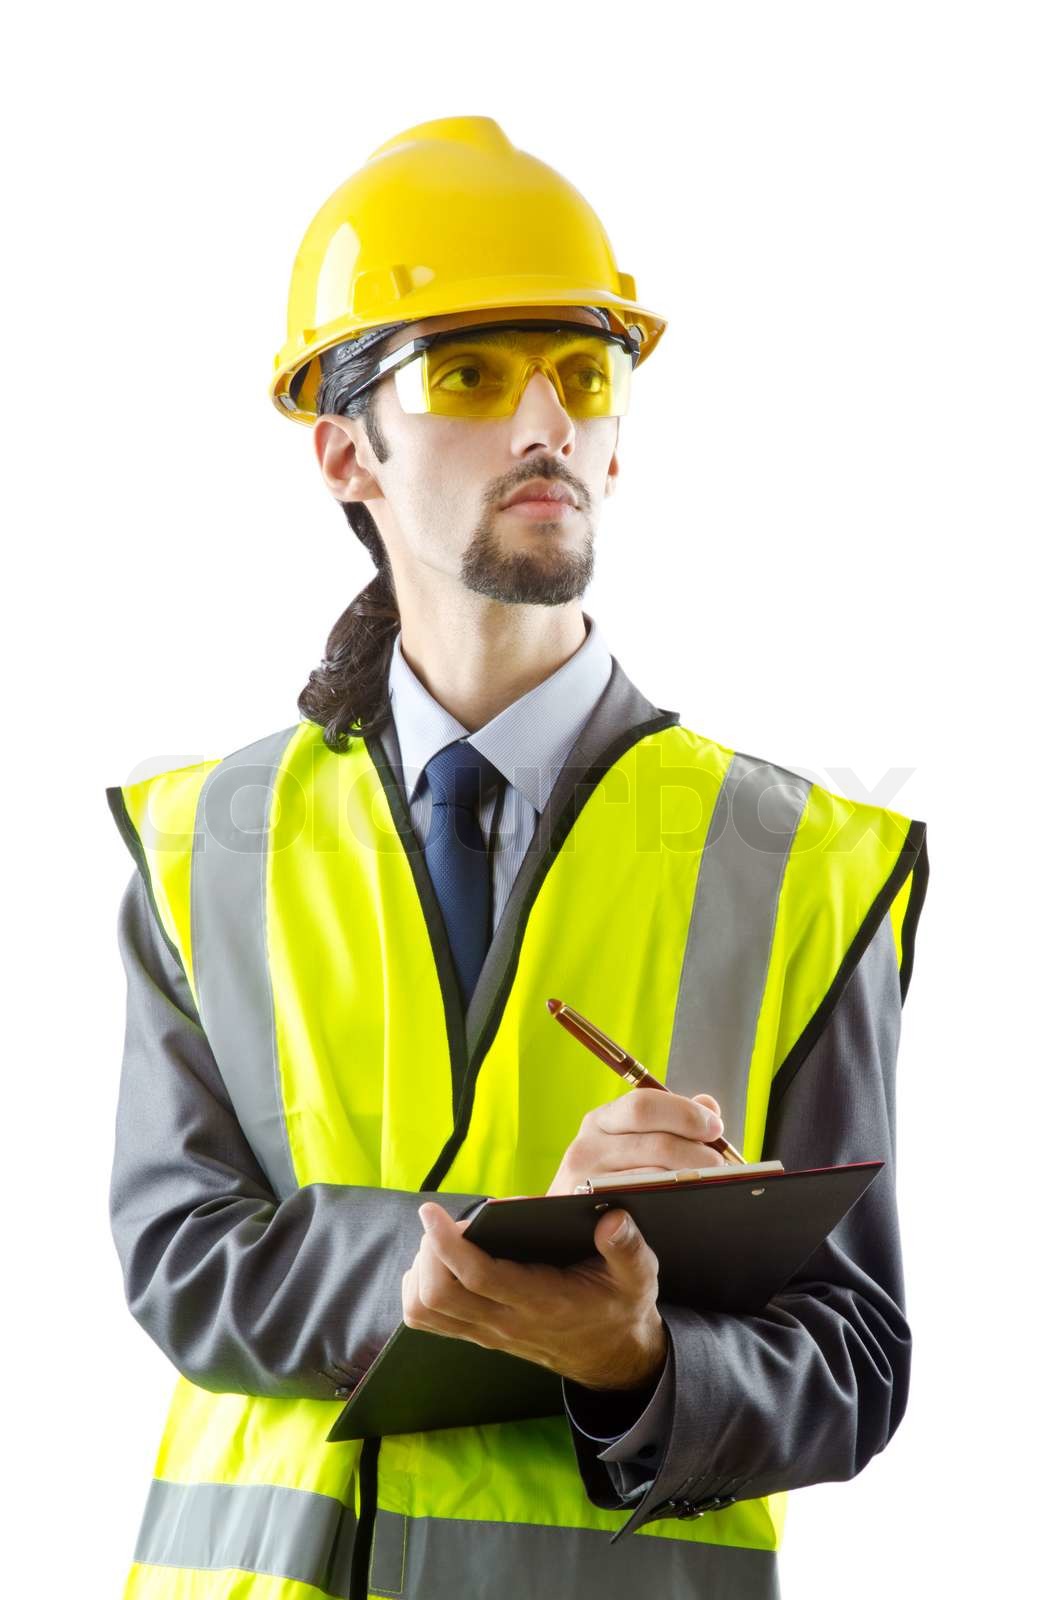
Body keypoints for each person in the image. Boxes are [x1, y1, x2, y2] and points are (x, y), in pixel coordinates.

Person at [106, 115, 929, 1600]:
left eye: (585, 376)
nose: (546, 422)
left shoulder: (801, 864)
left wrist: (635, 1362)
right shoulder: (199, 848)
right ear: (347, 450)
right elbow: (179, 1257)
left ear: (620, 435)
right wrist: (472, 1266)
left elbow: (853, 1357)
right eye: (473, 376)